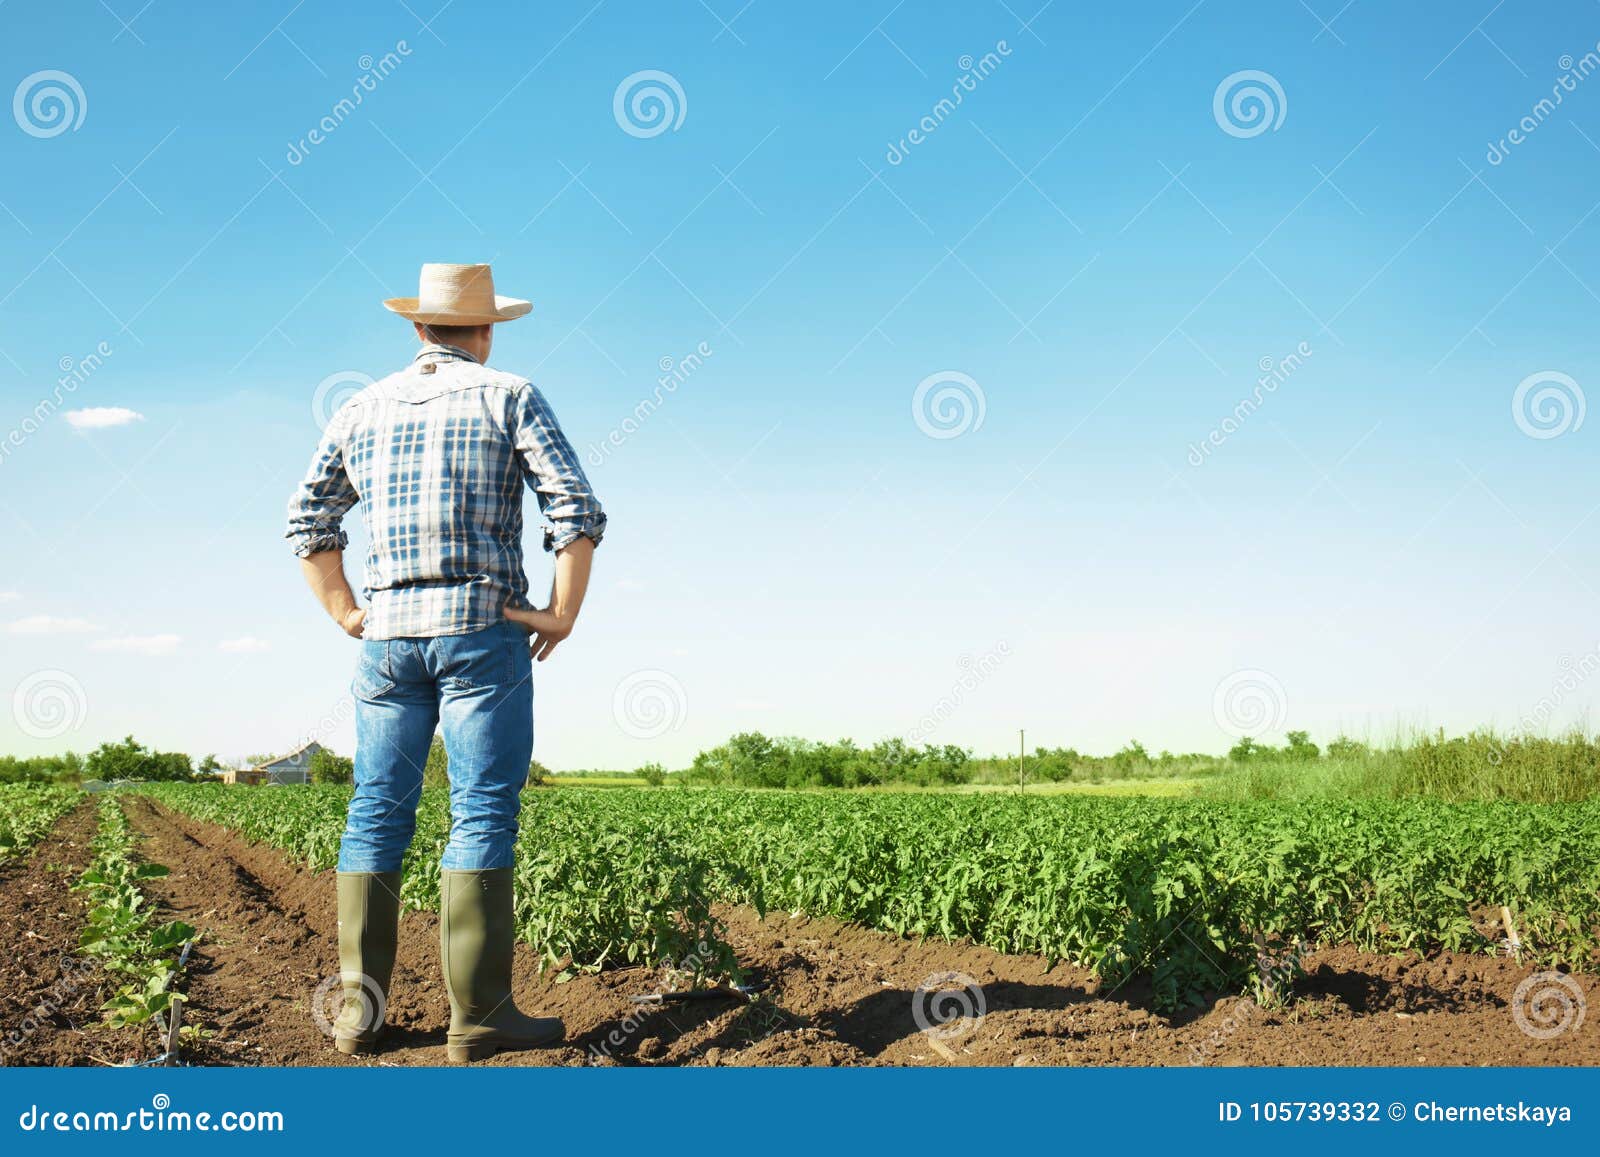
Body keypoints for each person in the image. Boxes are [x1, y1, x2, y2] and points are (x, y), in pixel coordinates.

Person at [285, 262, 606, 1062]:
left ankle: (359, 1014)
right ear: (487, 329)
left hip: (389, 639)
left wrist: (349, 611)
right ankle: (481, 1015)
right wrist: (561, 613)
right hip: (480, 628)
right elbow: (575, 508)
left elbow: (307, 518)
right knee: (482, 809)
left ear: (417, 328)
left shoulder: (361, 405)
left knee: (375, 811)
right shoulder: (511, 395)